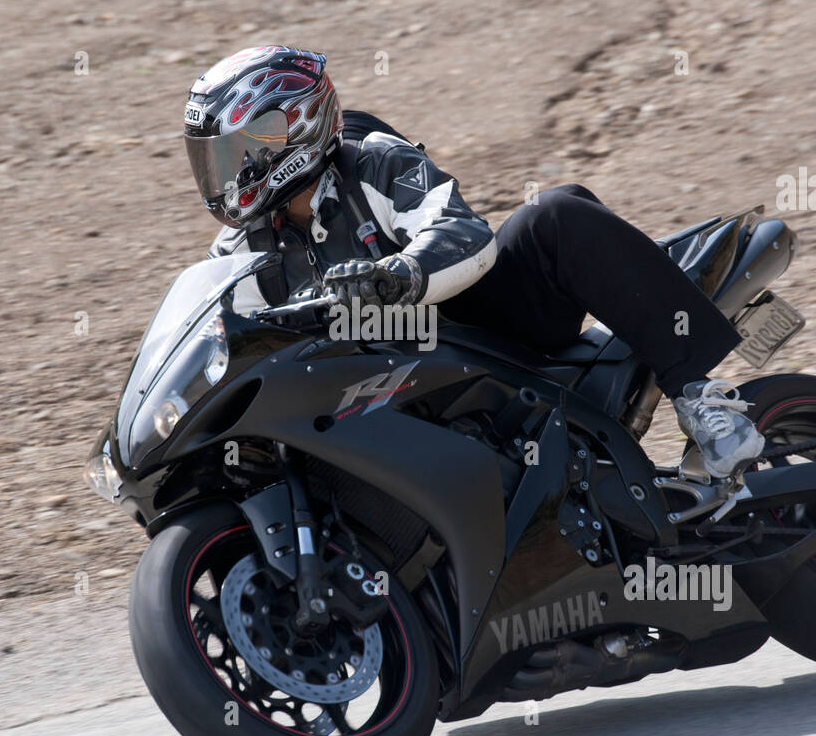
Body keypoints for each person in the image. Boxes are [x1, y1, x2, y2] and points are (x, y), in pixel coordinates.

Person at [183, 45, 764, 478]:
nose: (225, 173)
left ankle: (698, 395)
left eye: (236, 152)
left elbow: (462, 231)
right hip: (369, 394)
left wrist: (398, 276)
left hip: (478, 331)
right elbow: (216, 330)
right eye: (214, 158)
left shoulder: (372, 163)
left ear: (291, 130)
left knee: (555, 213)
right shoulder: (245, 247)